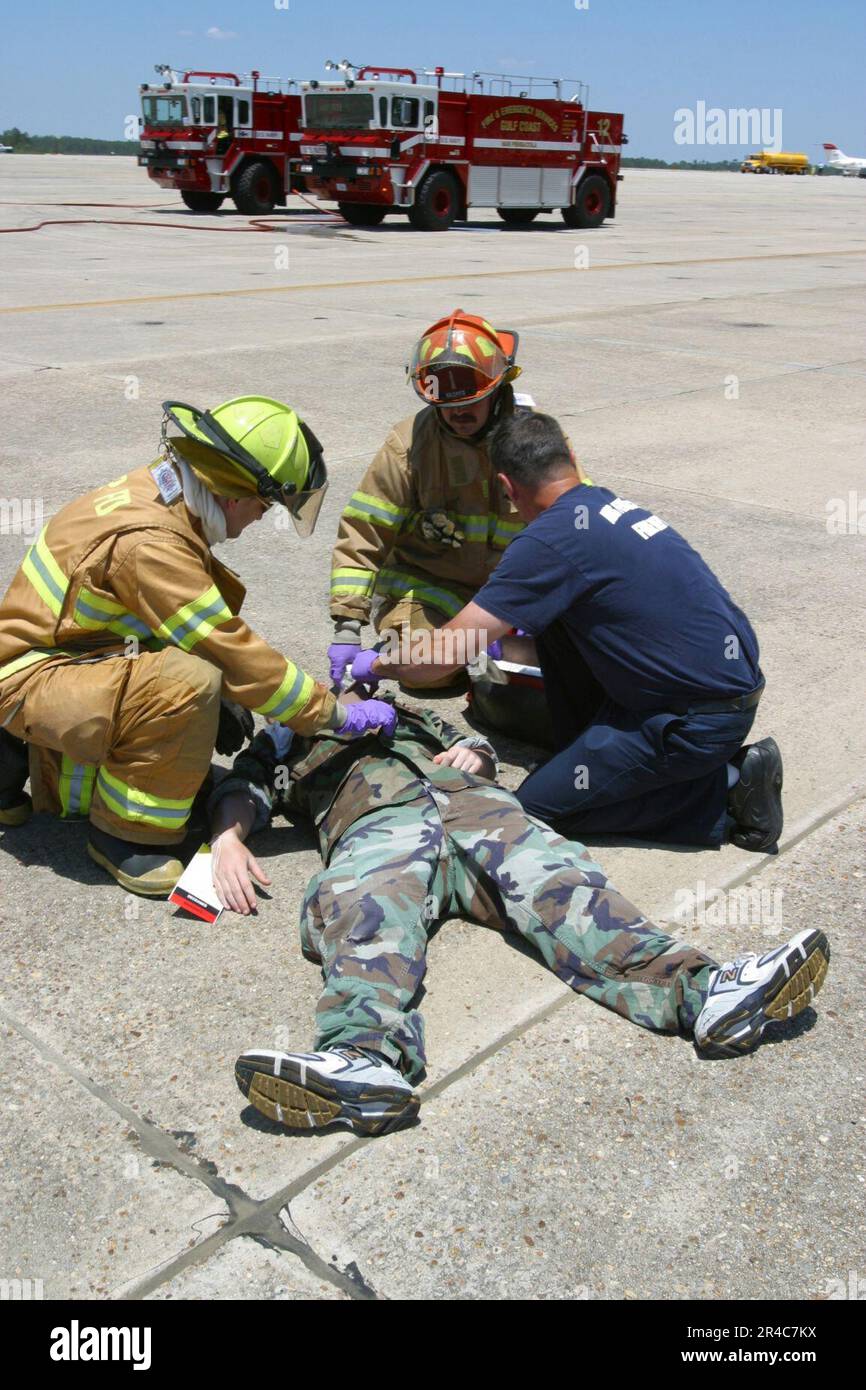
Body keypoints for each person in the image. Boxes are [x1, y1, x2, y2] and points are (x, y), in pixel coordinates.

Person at [210, 702, 828, 1137]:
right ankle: (363, 1060)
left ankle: (705, 994)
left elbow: (479, 753)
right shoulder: (285, 740)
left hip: (476, 809)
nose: (348, 689)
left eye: (356, 679)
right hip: (379, 825)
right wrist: (227, 837)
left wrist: (472, 755)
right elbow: (242, 792)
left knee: (565, 892)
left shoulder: (408, 715)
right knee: (367, 908)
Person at [0, 397, 395, 895]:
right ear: (232, 493)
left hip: (63, 657)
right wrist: (334, 714)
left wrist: (230, 698)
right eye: (263, 504)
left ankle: (15, 755)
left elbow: (175, 621)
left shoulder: (159, 495)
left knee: (202, 689)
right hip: (28, 676)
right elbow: (227, 649)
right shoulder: (152, 542)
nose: (258, 519)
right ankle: (125, 836)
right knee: (190, 682)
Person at [349, 410, 784, 854]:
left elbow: (443, 656)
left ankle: (729, 787)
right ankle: (592, 750)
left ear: (506, 487)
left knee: (528, 814)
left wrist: (377, 663)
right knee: (555, 616)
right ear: (570, 457)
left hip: (689, 722)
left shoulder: (551, 541)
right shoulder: (601, 505)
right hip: (707, 692)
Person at [327, 308, 587, 690]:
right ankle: (482, 653)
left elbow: (580, 519)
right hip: (433, 594)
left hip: (514, 593)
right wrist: (348, 625)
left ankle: (492, 649)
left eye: (470, 398)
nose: (458, 411)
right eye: (445, 402)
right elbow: (364, 532)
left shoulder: (533, 438)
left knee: (588, 652)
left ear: (498, 387)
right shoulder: (409, 445)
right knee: (420, 669)